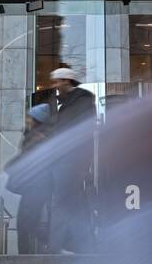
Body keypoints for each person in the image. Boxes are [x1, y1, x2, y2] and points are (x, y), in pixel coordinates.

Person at [49, 66, 97, 253]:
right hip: (68, 161)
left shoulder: (80, 104)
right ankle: (86, 247)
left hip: (70, 161)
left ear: (66, 81)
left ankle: (55, 248)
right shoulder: (70, 104)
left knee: (61, 203)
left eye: (57, 81)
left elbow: (85, 135)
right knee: (75, 205)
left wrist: (84, 164)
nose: (54, 85)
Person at [10, 102, 55, 254]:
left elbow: (28, 159)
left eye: (30, 118)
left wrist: (12, 166)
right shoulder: (36, 136)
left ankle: (54, 244)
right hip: (35, 186)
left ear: (37, 120)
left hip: (36, 186)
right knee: (26, 223)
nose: (27, 120)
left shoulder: (38, 138)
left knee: (25, 224)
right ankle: (53, 244)